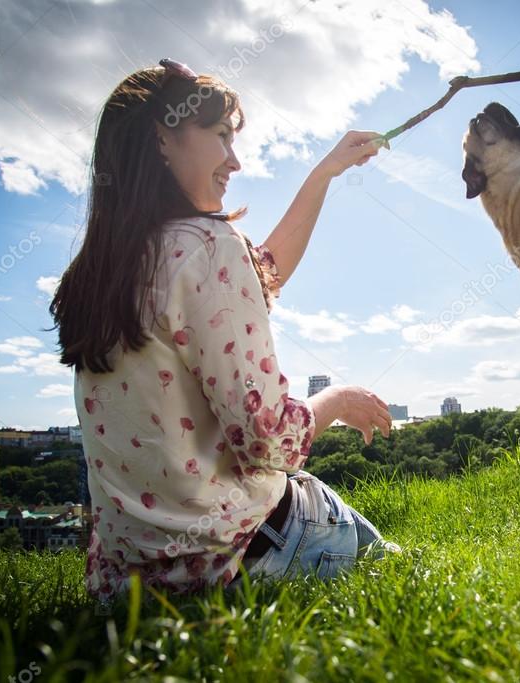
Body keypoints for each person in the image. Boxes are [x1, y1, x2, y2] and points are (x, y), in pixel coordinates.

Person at [49, 58, 398, 602]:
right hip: (235, 563)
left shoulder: (100, 271)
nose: (235, 161)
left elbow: (261, 278)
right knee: (404, 577)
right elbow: (268, 441)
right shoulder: (209, 247)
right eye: (220, 136)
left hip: (127, 588)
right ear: (162, 139)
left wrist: (325, 171)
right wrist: (338, 399)